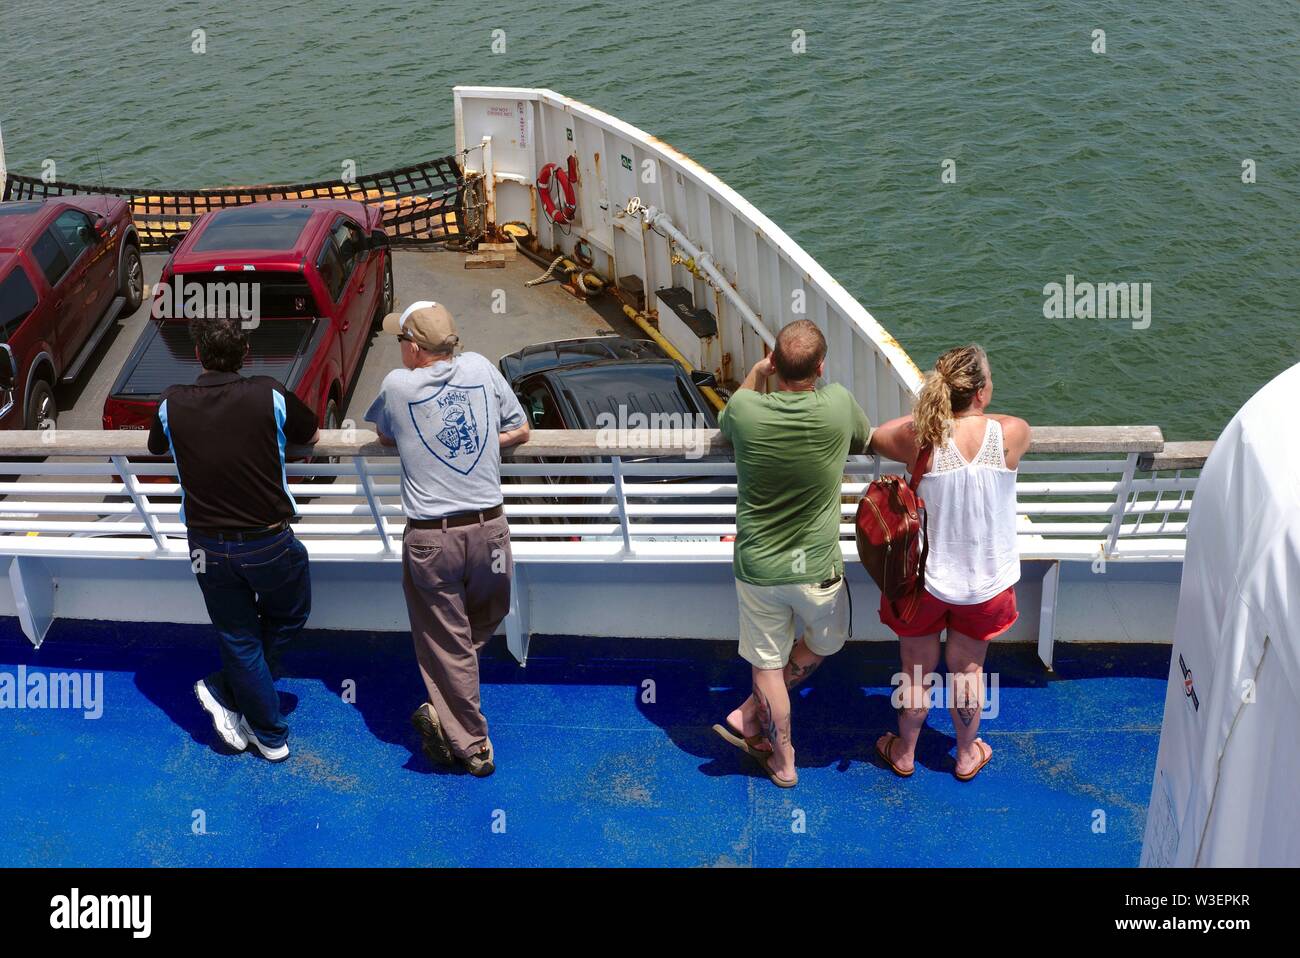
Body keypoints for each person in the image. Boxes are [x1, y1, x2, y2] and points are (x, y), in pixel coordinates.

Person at [365, 301, 530, 777]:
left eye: (400, 341)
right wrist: (483, 444)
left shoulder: (397, 386)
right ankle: (465, 728)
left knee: (449, 641)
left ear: (414, 348)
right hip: (490, 531)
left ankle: (468, 742)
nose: (398, 348)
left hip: (431, 541)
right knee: (482, 621)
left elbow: (385, 437)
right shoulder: (480, 366)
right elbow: (520, 428)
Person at [148, 316, 319, 763]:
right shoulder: (269, 392)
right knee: (290, 615)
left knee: (239, 636)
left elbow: (154, 447)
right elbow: (312, 432)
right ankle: (267, 731)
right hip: (269, 541)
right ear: (245, 355)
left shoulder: (171, 403)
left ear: (198, 356)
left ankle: (230, 688)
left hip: (207, 545)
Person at [711, 320, 873, 787]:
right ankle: (750, 718)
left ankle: (782, 760)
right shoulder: (839, 404)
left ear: (774, 363)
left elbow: (728, 417)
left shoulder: (746, 409)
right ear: (820, 368)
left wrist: (758, 374)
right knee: (827, 640)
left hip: (759, 568)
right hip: (817, 572)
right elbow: (864, 438)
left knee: (766, 666)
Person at [868, 344, 1030, 781]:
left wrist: (932, 418)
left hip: (925, 582)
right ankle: (964, 755)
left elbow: (878, 434)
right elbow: (990, 428)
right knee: (968, 670)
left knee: (915, 671)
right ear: (980, 393)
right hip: (987, 584)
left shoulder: (919, 439)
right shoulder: (1013, 432)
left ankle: (904, 752)